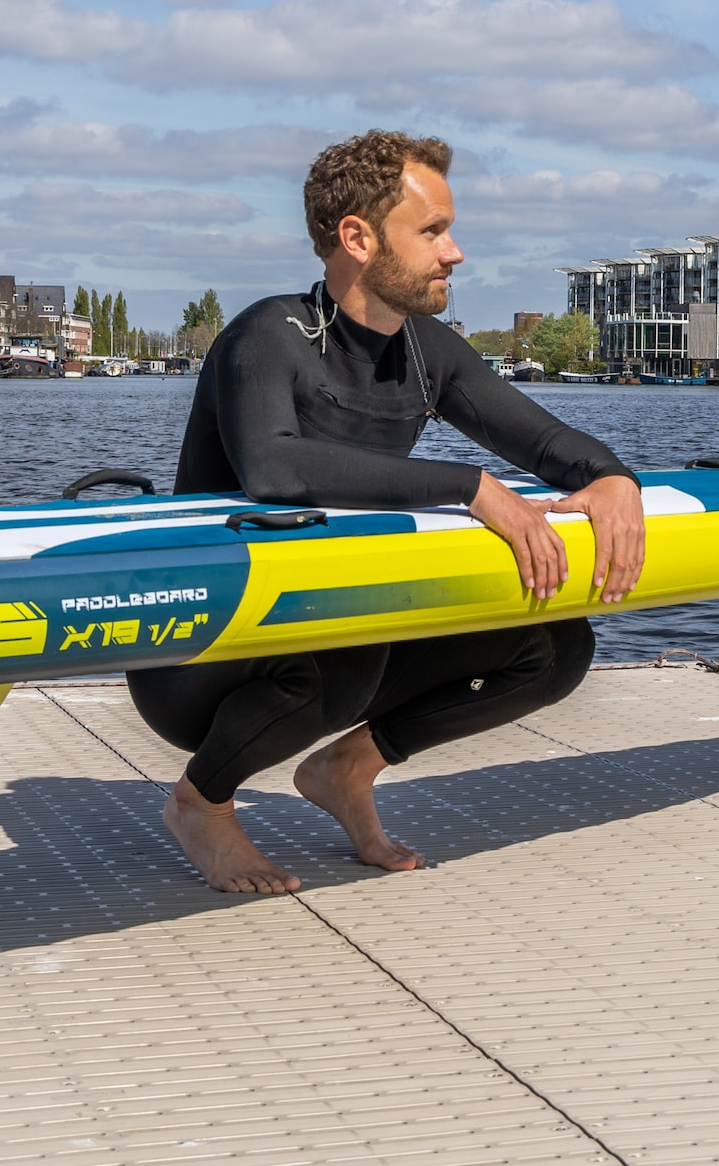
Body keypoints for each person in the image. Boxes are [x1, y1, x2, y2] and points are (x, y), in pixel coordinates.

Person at [130, 129, 646, 893]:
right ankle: (200, 801)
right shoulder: (267, 337)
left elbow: (542, 439)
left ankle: (348, 766)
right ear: (358, 238)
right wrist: (468, 486)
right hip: (199, 652)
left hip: (338, 628)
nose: (455, 251)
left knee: (553, 646)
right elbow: (275, 465)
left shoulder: (425, 349)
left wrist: (612, 478)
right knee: (351, 642)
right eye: (433, 230)